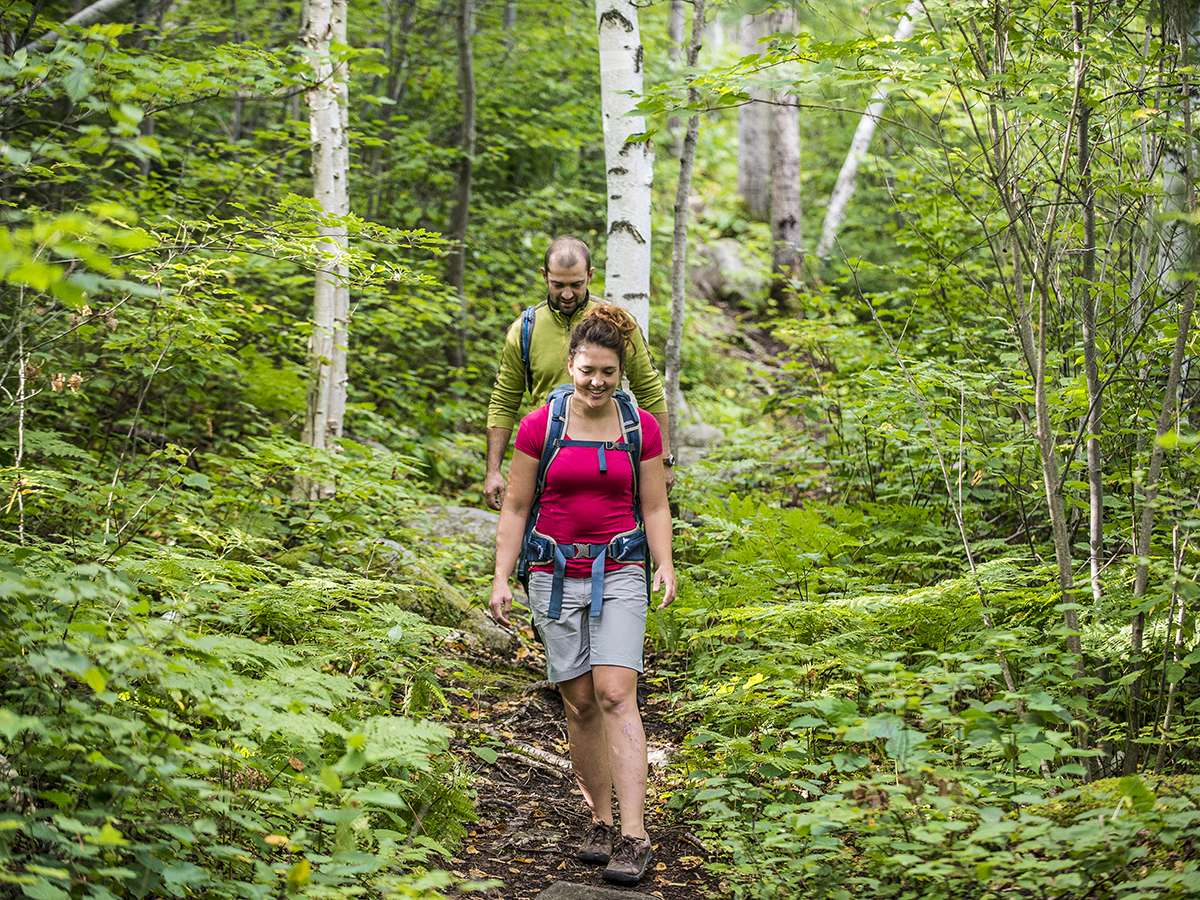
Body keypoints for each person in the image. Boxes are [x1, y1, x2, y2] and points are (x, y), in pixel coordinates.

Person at [489, 304, 676, 885]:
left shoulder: (641, 427)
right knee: (579, 702)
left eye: (608, 373)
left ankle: (634, 836)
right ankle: (599, 819)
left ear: (622, 373)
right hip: (551, 574)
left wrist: (664, 563)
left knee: (616, 692)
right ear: (570, 364)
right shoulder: (537, 426)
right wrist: (501, 575)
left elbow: (654, 504)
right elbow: (517, 506)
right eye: (587, 370)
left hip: (619, 570)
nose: (597, 382)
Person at [484, 236, 674, 511]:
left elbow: (649, 389)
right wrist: (493, 470)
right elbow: (504, 400)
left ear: (590, 275)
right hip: (545, 463)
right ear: (544, 275)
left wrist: (663, 459)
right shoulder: (526, 329)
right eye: (558, 285)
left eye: (576, 284)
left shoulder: (617, 323)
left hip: (610, 461)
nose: (568, 294)